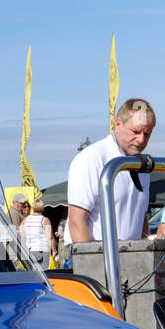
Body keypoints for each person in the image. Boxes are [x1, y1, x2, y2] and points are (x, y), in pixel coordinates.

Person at [65, 98, 156, 244]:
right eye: (136, 131)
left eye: (147, 134)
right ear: (118, 124)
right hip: (97, 256)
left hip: (131, 257)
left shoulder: (142, 166)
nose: (141, 140)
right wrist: (91, 264)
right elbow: (76, 221)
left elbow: (141, 218)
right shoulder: (92, 158)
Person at [19, 199, 56, 266]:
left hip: (29, 251)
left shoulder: (25, 220)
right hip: (42, 250)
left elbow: (21, 236)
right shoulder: (45, 220)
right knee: (43, 273)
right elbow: (50, 237)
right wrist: (54, 250)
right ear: (42, 208)